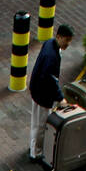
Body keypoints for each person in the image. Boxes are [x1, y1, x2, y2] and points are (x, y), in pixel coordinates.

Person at [28, 24, 74, 161]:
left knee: (35, 122)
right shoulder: (52, 56)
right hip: (43, 95)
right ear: (59, 37)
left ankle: (32, 147)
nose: (68, 44)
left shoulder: (49, 44)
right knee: (41, 125)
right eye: (67, 40)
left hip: (37, 90)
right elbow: (51, 79)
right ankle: (35, 153)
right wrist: (60, 97)